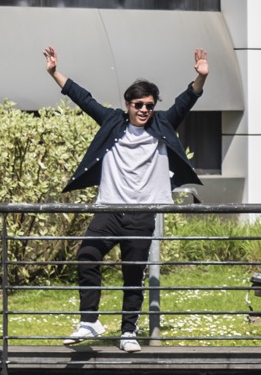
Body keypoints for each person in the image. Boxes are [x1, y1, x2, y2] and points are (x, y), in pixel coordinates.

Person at [45, 45, 208, 352]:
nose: (144, 110)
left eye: (149, 105)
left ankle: (128, 332)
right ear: (128, 104)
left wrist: (200, 78)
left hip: (142, 212)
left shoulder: (162, 124)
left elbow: (186, 101)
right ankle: (89, 321)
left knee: (133, 273)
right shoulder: (112, 122)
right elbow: (83, 98)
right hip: (109, 209)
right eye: (138, 104)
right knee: (87, 257)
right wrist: (55, 73)